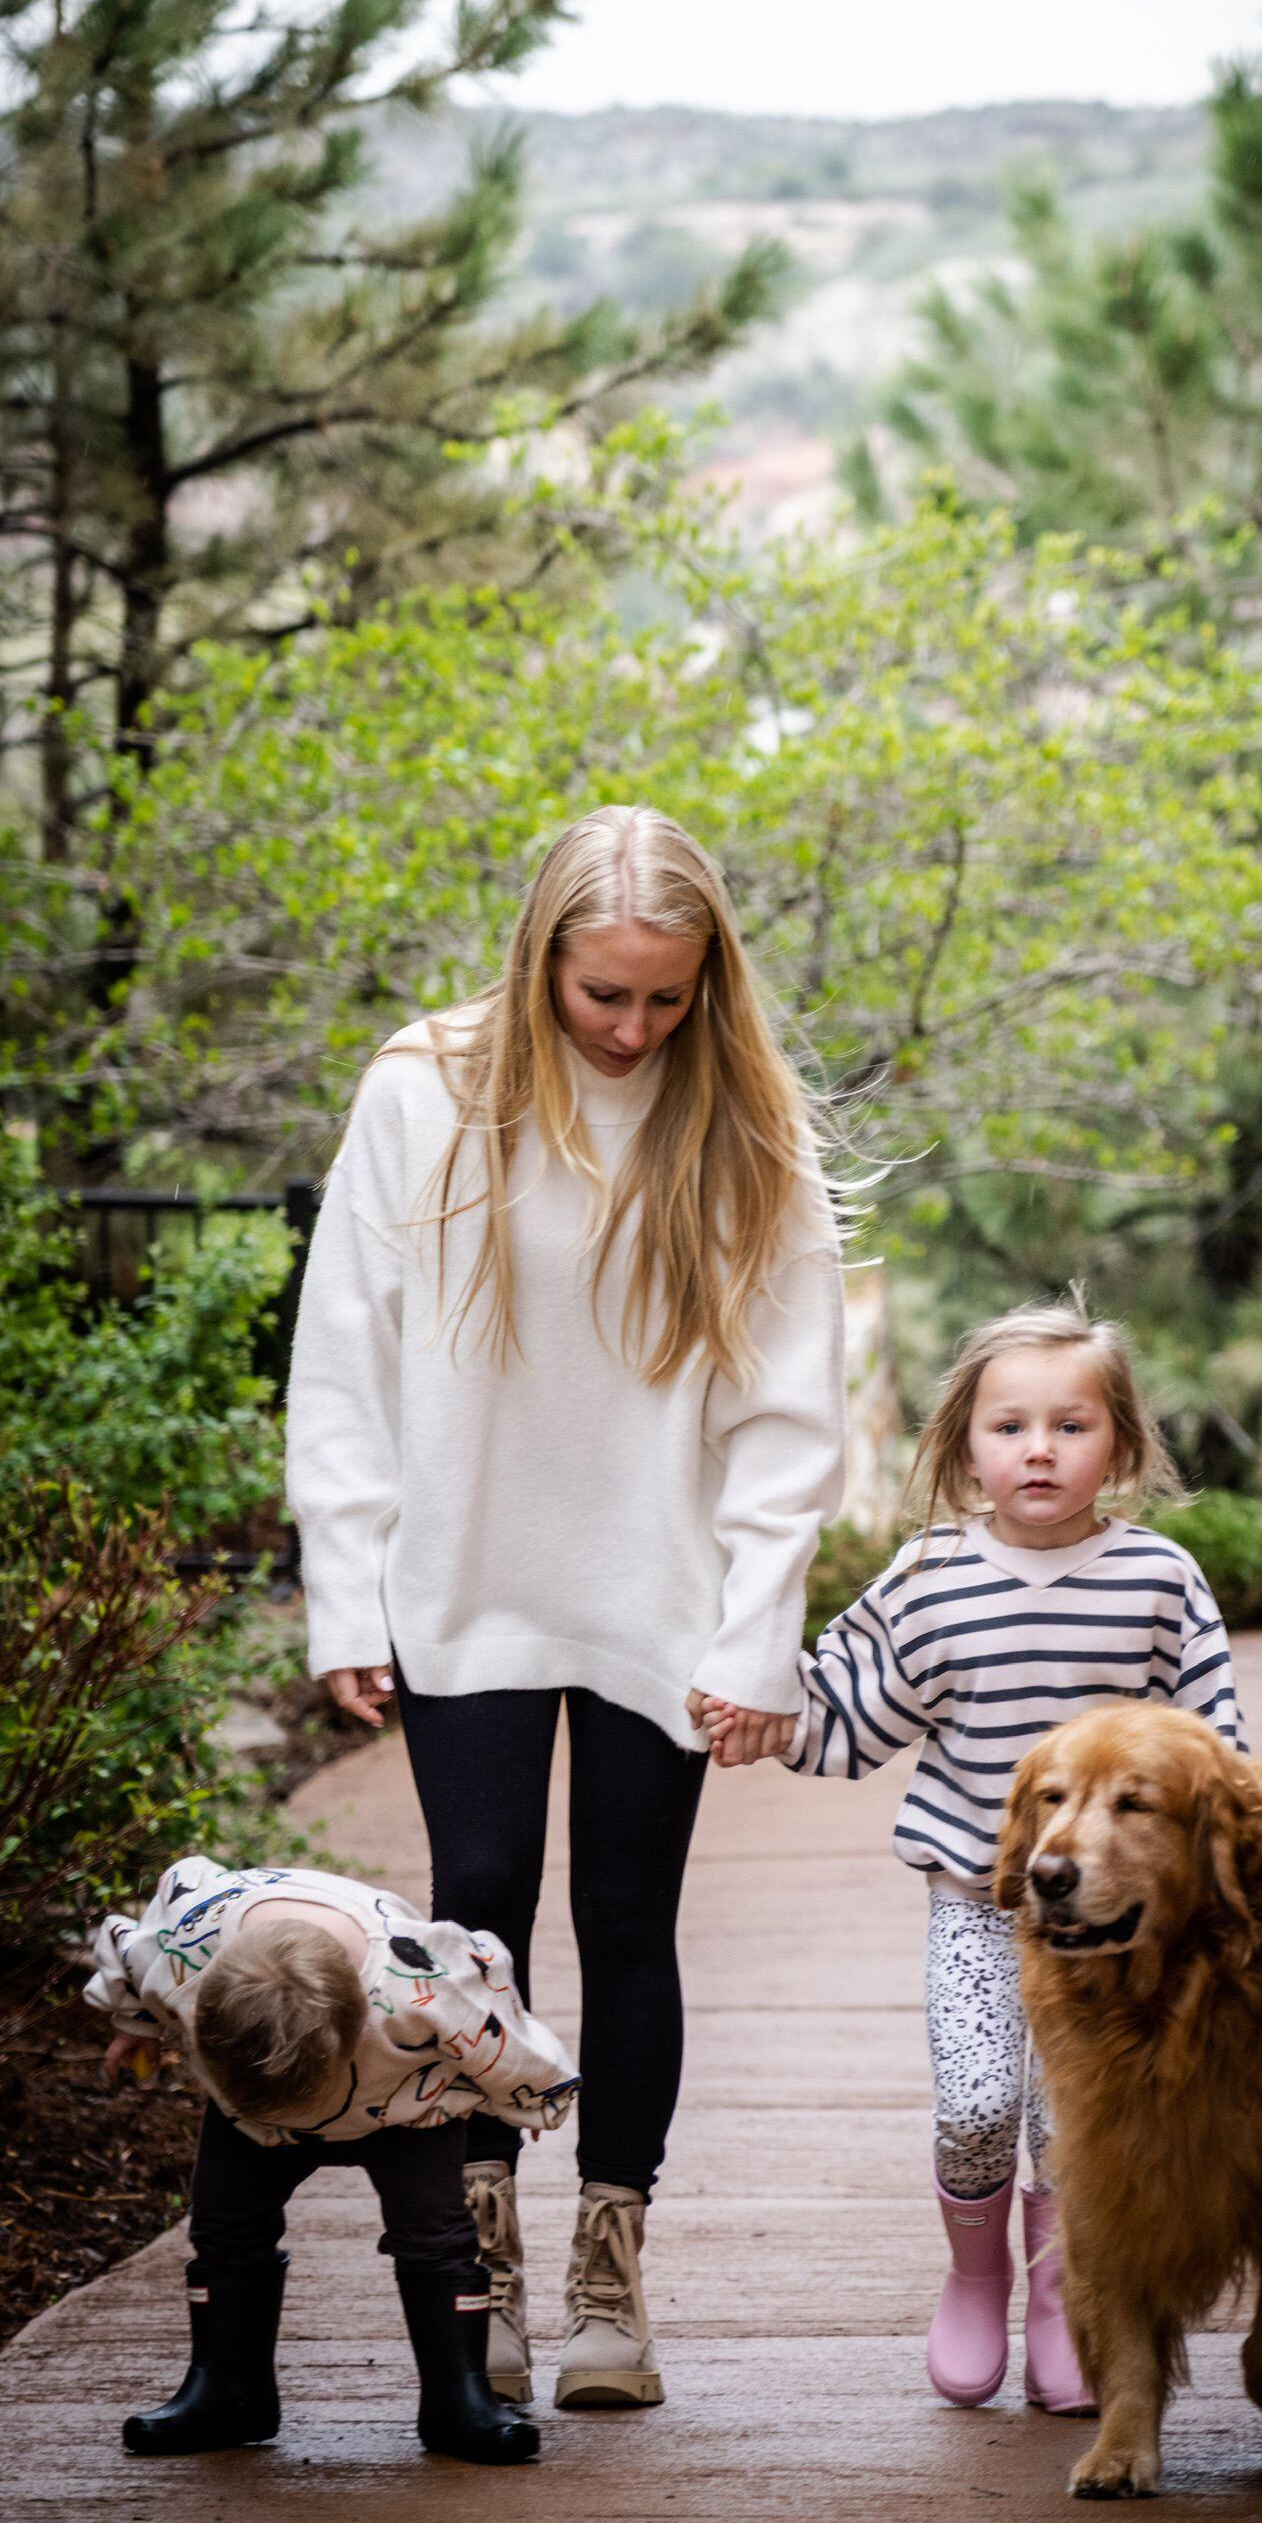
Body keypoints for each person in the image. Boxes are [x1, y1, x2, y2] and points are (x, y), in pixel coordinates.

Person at [286, 805, 846, 2409]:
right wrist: (347, 1591)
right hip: (463, 1574)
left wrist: (755, 1636)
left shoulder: (744, 1122)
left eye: (668, 997)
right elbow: (347, 1351)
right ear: (542, 956)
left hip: (657, 1591)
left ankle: (612, 2270)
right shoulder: (424, 1089)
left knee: (627, 1916)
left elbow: (788, 1413)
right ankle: (484, 2268)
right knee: (474, 1911)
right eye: (604, 992)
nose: (632, 1028)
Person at [701, 1296, 1246, 2415]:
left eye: (1071, 1425)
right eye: (1009, 1426)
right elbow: (850, 1711)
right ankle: (975, 2273)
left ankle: (1060, 2295)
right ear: (963, 1446)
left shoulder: (1158, 1579)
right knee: (977, 2106)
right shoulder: (931, 1576)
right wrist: (762, 1708)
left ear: (1121, 1445)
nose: (1039, 1449)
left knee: (1069, 2121)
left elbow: (1215, 1749)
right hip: (976, 1904)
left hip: (1111, 1924)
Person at [85, 1852, 579, 2464]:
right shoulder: (189, 1943)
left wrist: (532, 2093)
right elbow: (138, 1941)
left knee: (435, 2232)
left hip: (403, 2103)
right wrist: (135, 2022)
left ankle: (459, 2399)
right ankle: (228, 2391)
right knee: (225, 2221)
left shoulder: (416, 1980)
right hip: (252, 2108)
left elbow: (492, 2013)